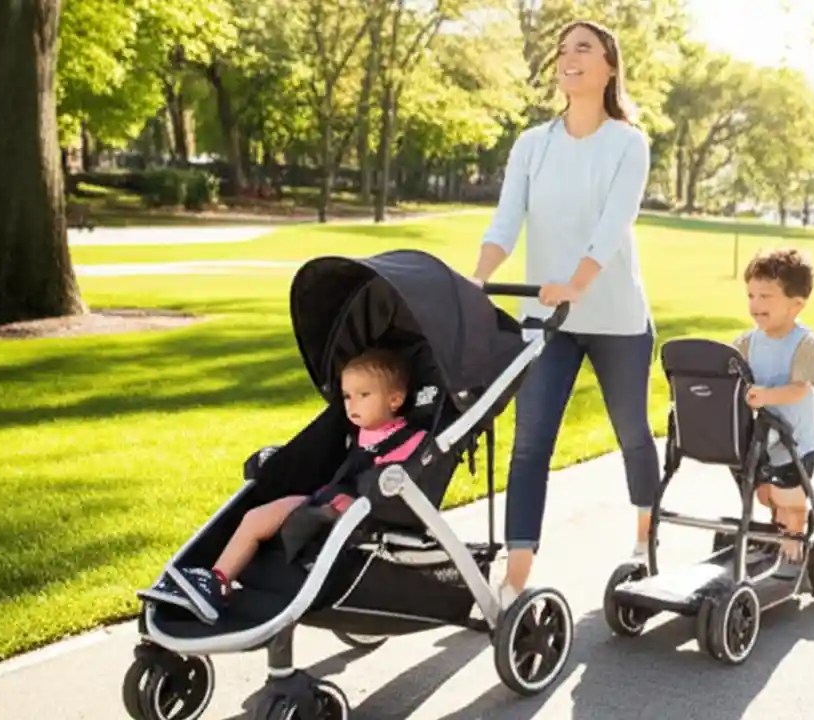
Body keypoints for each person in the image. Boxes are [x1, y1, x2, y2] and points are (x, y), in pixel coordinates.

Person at [470, 19, 657, 610]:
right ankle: (516, 576)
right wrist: (477, 279)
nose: (569, 57)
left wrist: (576, 282)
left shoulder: (629, 143)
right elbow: (505, 223)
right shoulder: (532, 144)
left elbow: (613, 225)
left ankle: (644, 542)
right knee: (530, 446)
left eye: (584, 48)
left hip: (615, 316)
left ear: (608, 66)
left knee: (631, 432)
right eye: (563, 49)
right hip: (546, 319)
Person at [143, 349, 426, 623]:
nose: (351, 405)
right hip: (325, 502)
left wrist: (363, 501)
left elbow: (399, 482)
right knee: (254, 516)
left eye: (364, 395)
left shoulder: (408, 441)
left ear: (395, 399)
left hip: (362, 514)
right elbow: (317, 457)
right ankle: (216, 580)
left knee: (276, 515)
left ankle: (217, 583)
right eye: (347, 396)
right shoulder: (354, 432)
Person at [731, 248, 814, 580]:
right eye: (751, 295)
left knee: (789, 500)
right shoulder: (746, 342)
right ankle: (779, 529)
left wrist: (768, 395)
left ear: (796, 304)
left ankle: (794, 541)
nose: (756, 304)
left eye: (766, 296)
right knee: (764, 494)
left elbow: (801, 388)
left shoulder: (805, 344)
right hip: (762, 439)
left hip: (794, 442)